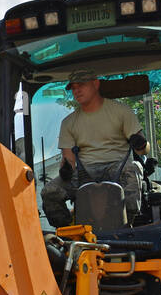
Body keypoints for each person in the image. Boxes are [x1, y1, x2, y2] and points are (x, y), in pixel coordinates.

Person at [57, 69, 149, 219]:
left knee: (135, 167)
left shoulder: (121, 111)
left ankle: (129, 224)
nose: (76, 91)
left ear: (95, 83)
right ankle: (67, 231)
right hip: (85, 171)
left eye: (81, 85)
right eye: (73, 88)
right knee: (50, 191)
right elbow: (69, 160)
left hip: (117, 166)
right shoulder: (68, 122)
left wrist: (140, 144)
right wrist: (66, 170)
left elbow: (143, 151)